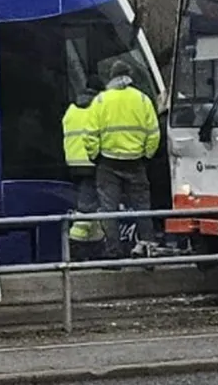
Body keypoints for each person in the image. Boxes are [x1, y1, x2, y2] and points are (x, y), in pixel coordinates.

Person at [89, 60, 162, 258]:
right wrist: (147, 155)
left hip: (108, 162)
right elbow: (154, 133)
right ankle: (147, 249)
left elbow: (90, 134)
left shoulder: (101, 100)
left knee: (109, 210)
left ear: (111, 77)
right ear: (130, 76)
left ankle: (113, 252)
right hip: (136, 162)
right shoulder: (143, 99)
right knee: (142, 208)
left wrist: (95, 155)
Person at [61, 79, 105, 259]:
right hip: (91, 163)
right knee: (87, 207)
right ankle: (75, 243)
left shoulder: (71, 110)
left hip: (74, 163)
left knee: (92, 205)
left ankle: (96, 244)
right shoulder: (97, 108)